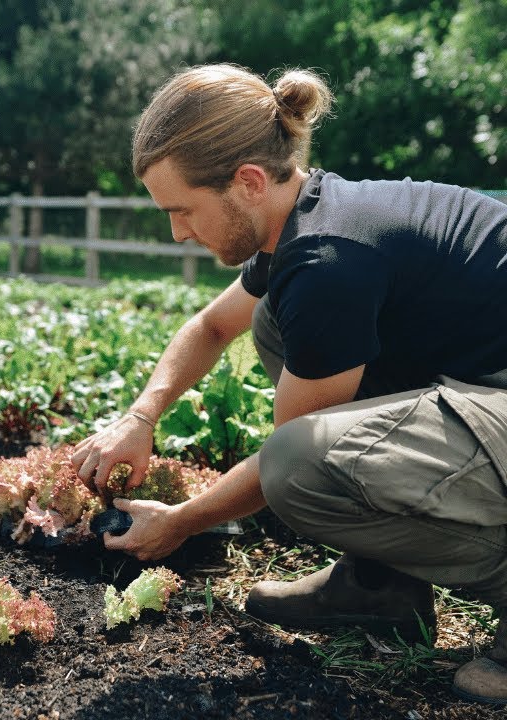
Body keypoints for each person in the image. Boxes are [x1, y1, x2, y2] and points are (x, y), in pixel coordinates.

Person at [68, 63, 507, 705]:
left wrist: (181, 522)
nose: (177, 233)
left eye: (182, 210)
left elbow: (287, 453)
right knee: (272, 320)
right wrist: (141, 417)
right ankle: (379, 587)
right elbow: (213, 327)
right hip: (486, 386)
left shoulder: (331, 261)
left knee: (299, 463)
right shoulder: (304, 225)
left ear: (247, 182)